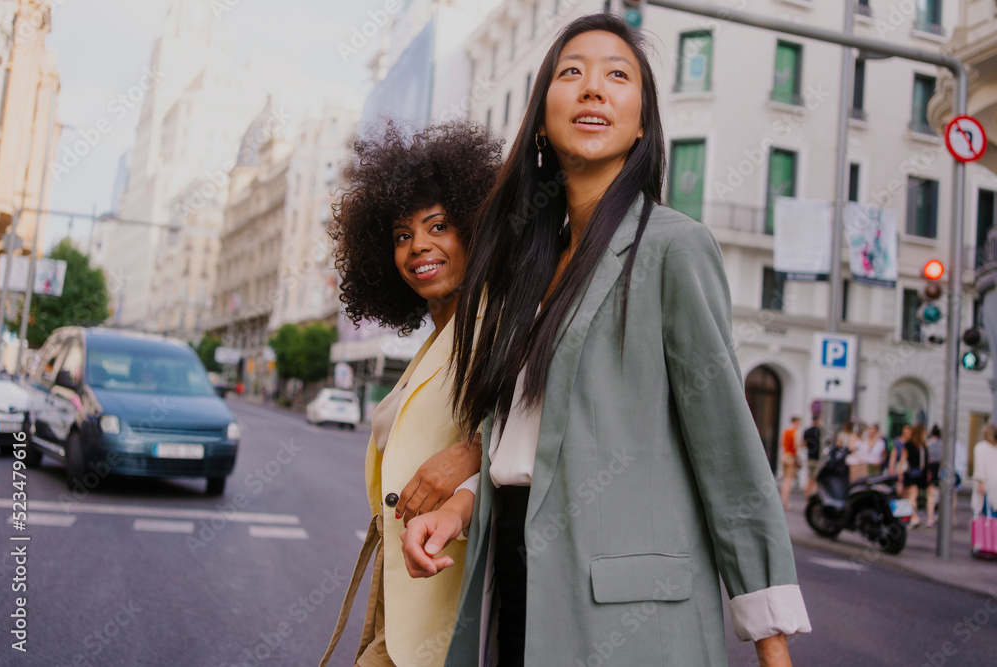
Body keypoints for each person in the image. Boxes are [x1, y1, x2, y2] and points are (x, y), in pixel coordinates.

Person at [399, 14, 810, 667]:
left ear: (642, 123)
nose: (593, 87)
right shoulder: (522, 269)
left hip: (626, 617)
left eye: (618, 75)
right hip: (512, 581)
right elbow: (525, 440)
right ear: (541, 120)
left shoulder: (674, 248)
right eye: (572, 73)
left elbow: (728, 452)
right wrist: (460, 507)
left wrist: (773, 646)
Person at [317, 122, 502, 667]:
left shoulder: (498, 325)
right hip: (402, 592)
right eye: (402, 235)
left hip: (451, 597)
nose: (418, 245)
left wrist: (470, 451)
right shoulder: (436, 340)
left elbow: (539, 426)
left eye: (438, 226)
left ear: (475, 229)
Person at [899, 424, 930, 528]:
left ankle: (908, 518)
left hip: (918, 475)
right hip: (911, 474)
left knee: (910, 496)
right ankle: (911, 517)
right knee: (909, 496)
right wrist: (900, 474)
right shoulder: (910, 445)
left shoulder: (922, 445)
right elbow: (903, 460)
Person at [973, 423, 997, 519]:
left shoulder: (980, 447)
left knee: (985, 515)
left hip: (986, 485)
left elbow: (979, 466)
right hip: (994, 485)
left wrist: (980, 483)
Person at [781, 416, 802, 509]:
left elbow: (781, 443)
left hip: (784, 455)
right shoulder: (795, 431)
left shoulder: (785, 431)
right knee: (789, 481)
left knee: (785, 479)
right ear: (796, 422)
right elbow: (796, 445)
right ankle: (785, 502)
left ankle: (783, 500)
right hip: (791, 457)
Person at [925, 424, 943, 527]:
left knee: (931, 495)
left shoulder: (929, 443)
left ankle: (930, 517)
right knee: (939, 494)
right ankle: (935, 514)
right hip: (940, 469)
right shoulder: (942, 444)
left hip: (931, 469)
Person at [803, 416, 823, 496]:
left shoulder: (807, 431)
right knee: (815, 480)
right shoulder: (819, 431)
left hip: (809, 457)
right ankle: (813, 496)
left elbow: (804, 443)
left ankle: (806, 495)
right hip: (817, 458)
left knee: (809, 479)